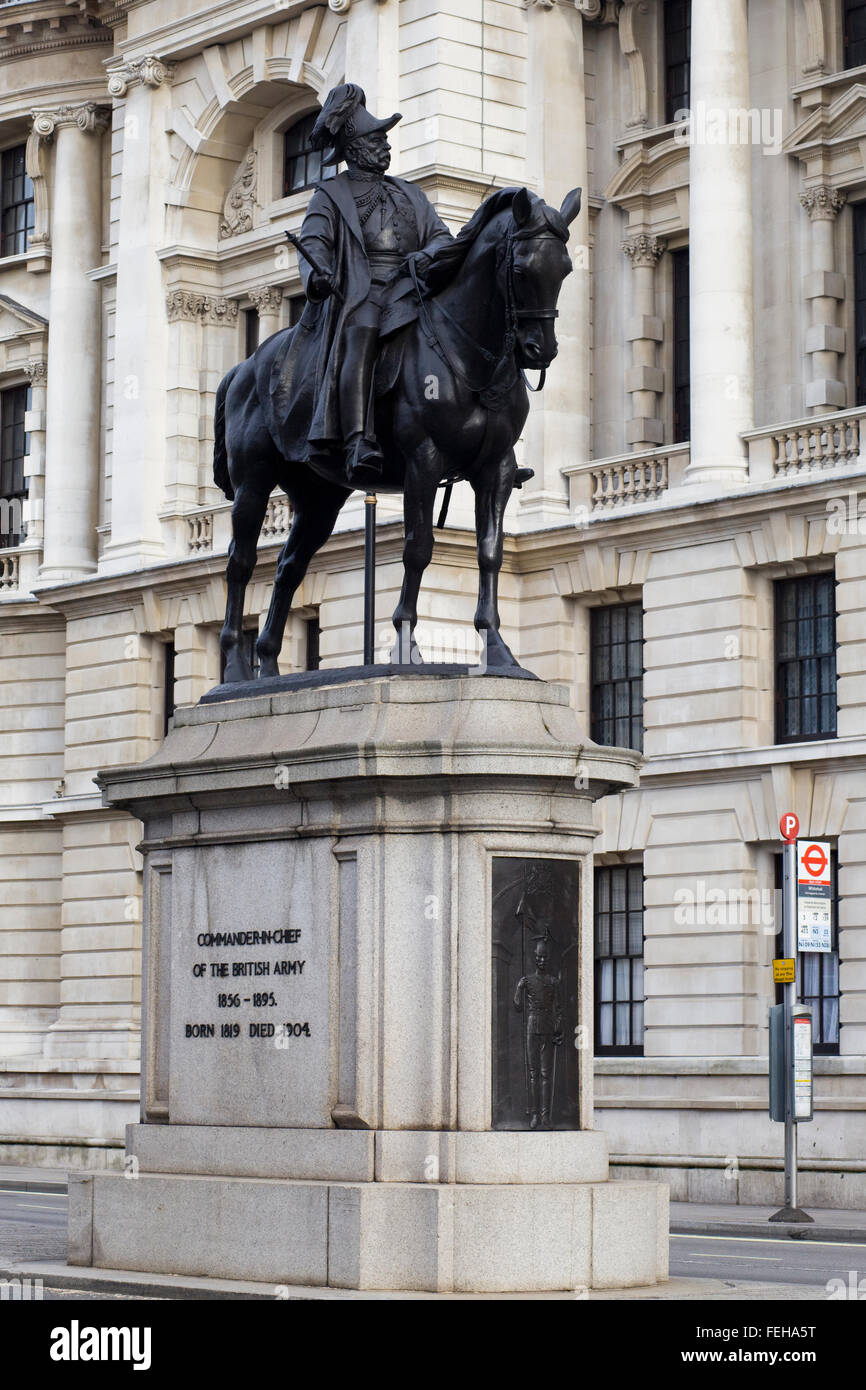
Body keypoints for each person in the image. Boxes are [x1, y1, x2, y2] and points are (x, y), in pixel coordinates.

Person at [294, 83, 455, 487]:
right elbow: (314, 242)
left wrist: (427, 257)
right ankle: (356, 439)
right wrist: (319, 274)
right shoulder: (331, 194)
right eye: (376, 138)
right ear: (354, 146)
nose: (385, 145)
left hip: (412, 286)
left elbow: (441, 237)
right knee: (362, 330)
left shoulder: (411, 193)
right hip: (362, 290)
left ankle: (484, 436)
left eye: (384, 138)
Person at [514, 940, 563, 1130]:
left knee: (545, 1075)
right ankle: (534, 1115)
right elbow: (517, 1007)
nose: (541, 960)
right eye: (539, 957)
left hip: (547, 1029)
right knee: (534, 1075)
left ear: (548, 959)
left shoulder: (553, 982)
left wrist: (558, 1029)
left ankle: (545, 1116)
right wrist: (519, 988)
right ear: (534, 958)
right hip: (532, 1030)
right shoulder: (527, 981)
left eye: (544, 957)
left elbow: (558, 1009)